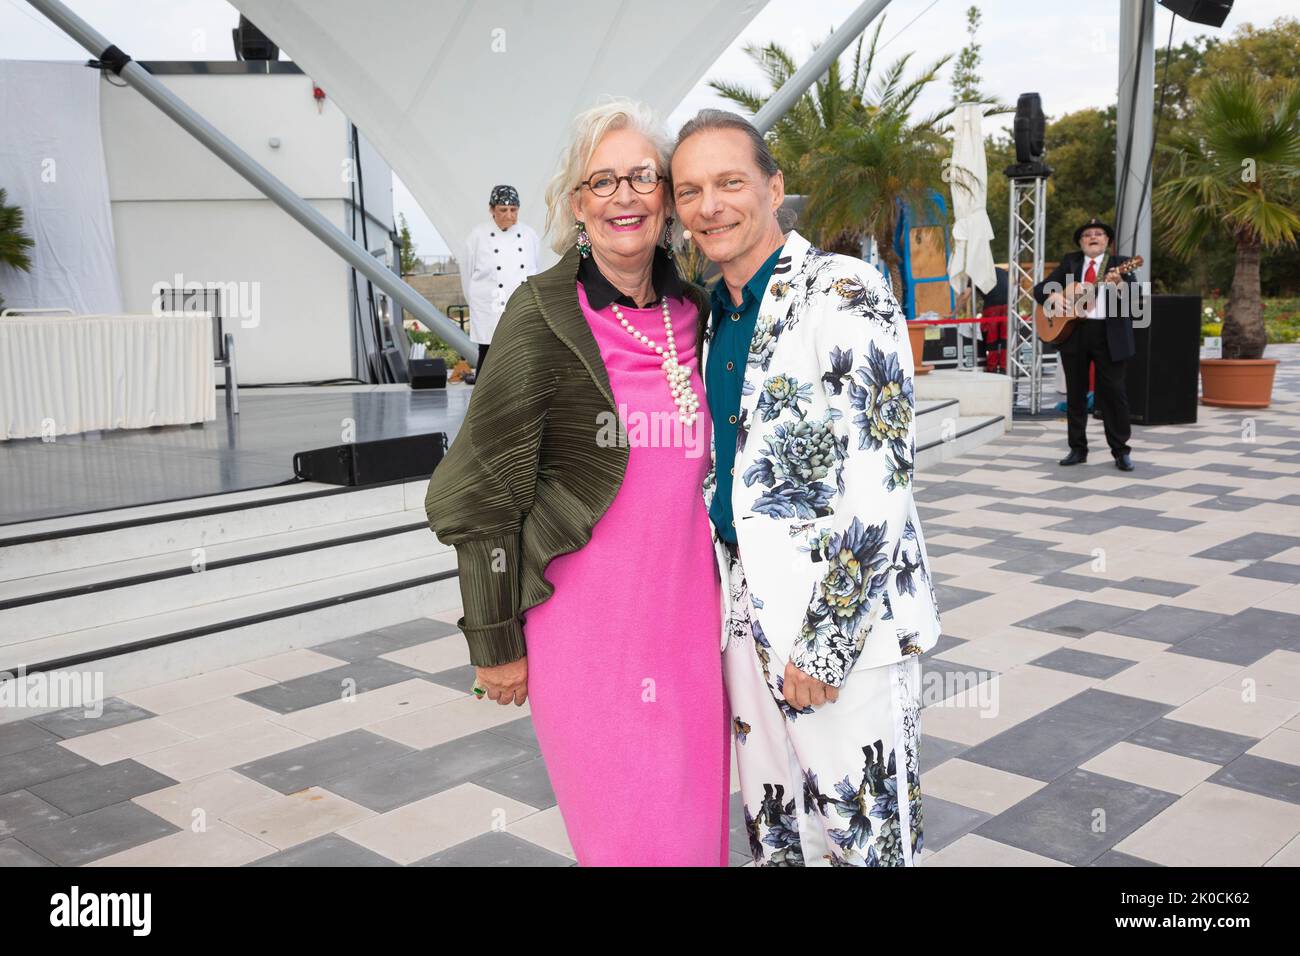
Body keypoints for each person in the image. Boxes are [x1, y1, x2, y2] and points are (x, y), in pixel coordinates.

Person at [424, 99, 728, 866]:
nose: (624, 196)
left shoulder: (702, 313)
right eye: (603, 181)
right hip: (588, 637)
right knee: (631, 841)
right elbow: (479, 490)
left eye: (642, 178)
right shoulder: (541, 315)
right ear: (576, 204)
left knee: (696, 839)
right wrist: (493, 639)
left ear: (666, 197)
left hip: (693, 632)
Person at [671, 109, 941, 867]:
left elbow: (882, 482)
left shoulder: (841, 289)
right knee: (778, 843)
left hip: (842, 635)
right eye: (690, 190)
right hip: (744, 625)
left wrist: (827, 647)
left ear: (774, 187)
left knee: (866, 847)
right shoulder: (708, 316)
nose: (710, 205)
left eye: (729, 182)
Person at [1032, 217, 1141, 471]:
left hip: (1109, 335)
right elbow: (1039, 290)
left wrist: (1120, 285)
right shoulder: (1070, 263)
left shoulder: (1119, 265)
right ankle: (1077, 449)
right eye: (1087, 234)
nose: (1093, 237)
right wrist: (1055, 295)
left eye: (1099, 234)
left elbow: (1135, 302)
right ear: (1081, 242)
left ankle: (1120, 451)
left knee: (1114, 394)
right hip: (1075, 333)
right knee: (1075, 394)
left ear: (1107, 241)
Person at [460, 185, 540, 376]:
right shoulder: (477, 236)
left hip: (520, 305)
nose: (509, 215)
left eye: (514, 210)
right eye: (503, 210)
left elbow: (535, 269)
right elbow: (466, 276)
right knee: (488, 357)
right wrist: (480, 304)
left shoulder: (529, 235)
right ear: (491, 210)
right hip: (490, 308)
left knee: (522, 358)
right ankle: (482, 405)